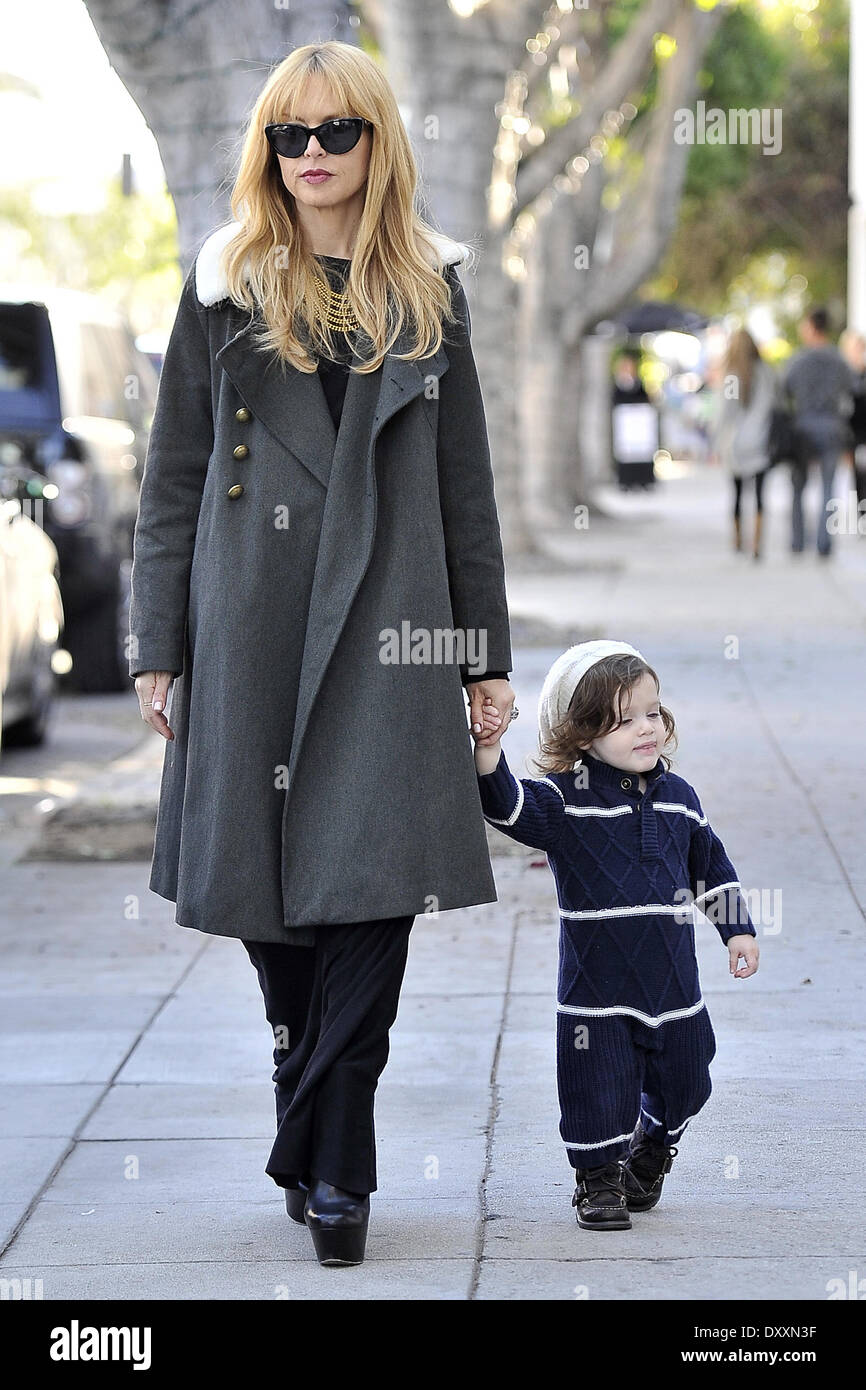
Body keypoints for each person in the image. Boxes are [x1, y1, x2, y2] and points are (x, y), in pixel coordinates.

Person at [127, 41, 515, 1267]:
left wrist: (481, 655)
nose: (308, 157)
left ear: (377, 138)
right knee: (273, 917)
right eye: (285, 138)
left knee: (372, 894)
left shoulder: (430, 291)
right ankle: (306, 1085)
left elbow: (466, 492)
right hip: (249, 619)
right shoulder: (226, 281)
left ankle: (335, 1163)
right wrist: (159, 640)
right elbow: (173, 475)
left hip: (389, 630)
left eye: (333, 132)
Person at [471, 640, 759, 1231]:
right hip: (595, 994)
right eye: (623, 721)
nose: (645, 729)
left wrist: (737, 931)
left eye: (652, 713)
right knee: (596, 1088)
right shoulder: (565, 801)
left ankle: (652, 1146)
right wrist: (490, 751)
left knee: (689, 1077)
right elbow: (509, 808)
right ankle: (598, 1182)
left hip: (676, 988)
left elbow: (711, 867)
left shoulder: (681, 799)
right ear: (580, 735)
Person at [781, 307, 854, 557]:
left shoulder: (798, 360)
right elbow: (851, 389)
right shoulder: (839, 360)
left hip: (803, 427)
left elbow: (785, 391)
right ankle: (824, 544)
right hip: (832, 427)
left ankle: (798, 541)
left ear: (812, 327)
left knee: (798, 487)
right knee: (828, 487)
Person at [711, 328, 775, 560]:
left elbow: (724, 413)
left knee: (737, 494)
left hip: (735, 443)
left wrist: (716, 441)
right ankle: (757, 543)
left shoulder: (731, 375)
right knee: (759, 496)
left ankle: (738, 540)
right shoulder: (766, 372)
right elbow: (772, 405)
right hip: (761, 440)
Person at [839, 328, 866, 528]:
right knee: (858, 478)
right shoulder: (843, 373)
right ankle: (862, 517)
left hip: (862, 432)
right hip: (852, 434)